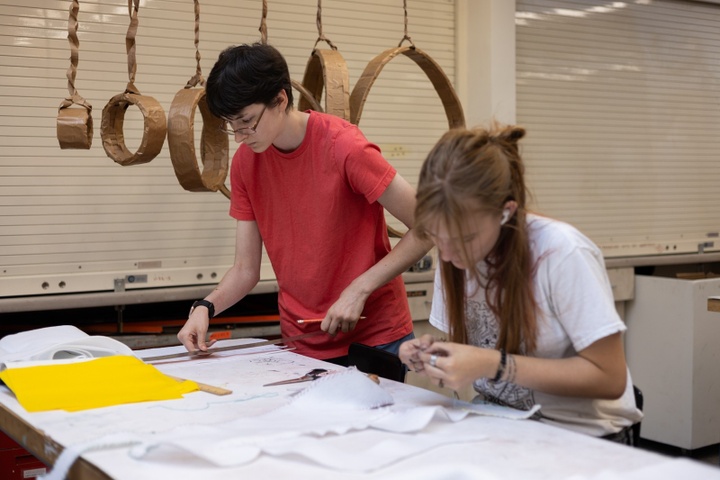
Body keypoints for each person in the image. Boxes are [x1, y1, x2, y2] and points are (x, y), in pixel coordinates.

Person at [177, 43, 431, 364]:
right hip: (302, 340)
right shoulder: (245, 164)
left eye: (247, 121)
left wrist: (359, 289)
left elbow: (427, 227)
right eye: (232, 125)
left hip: (373, 337)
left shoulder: (345, 147)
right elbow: (245, 270)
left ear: (280, 100)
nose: (240, 135)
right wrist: (204, 307)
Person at [399, 124, 643, 440]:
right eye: (436, 236)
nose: (447, 253)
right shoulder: (453, 253)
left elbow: (609, 379)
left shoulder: (562, 253)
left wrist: (494, 364)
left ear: (506, 212)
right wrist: (433, 354)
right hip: (497, 420)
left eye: (465, 238)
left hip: (583, 434)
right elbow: (477, 347)